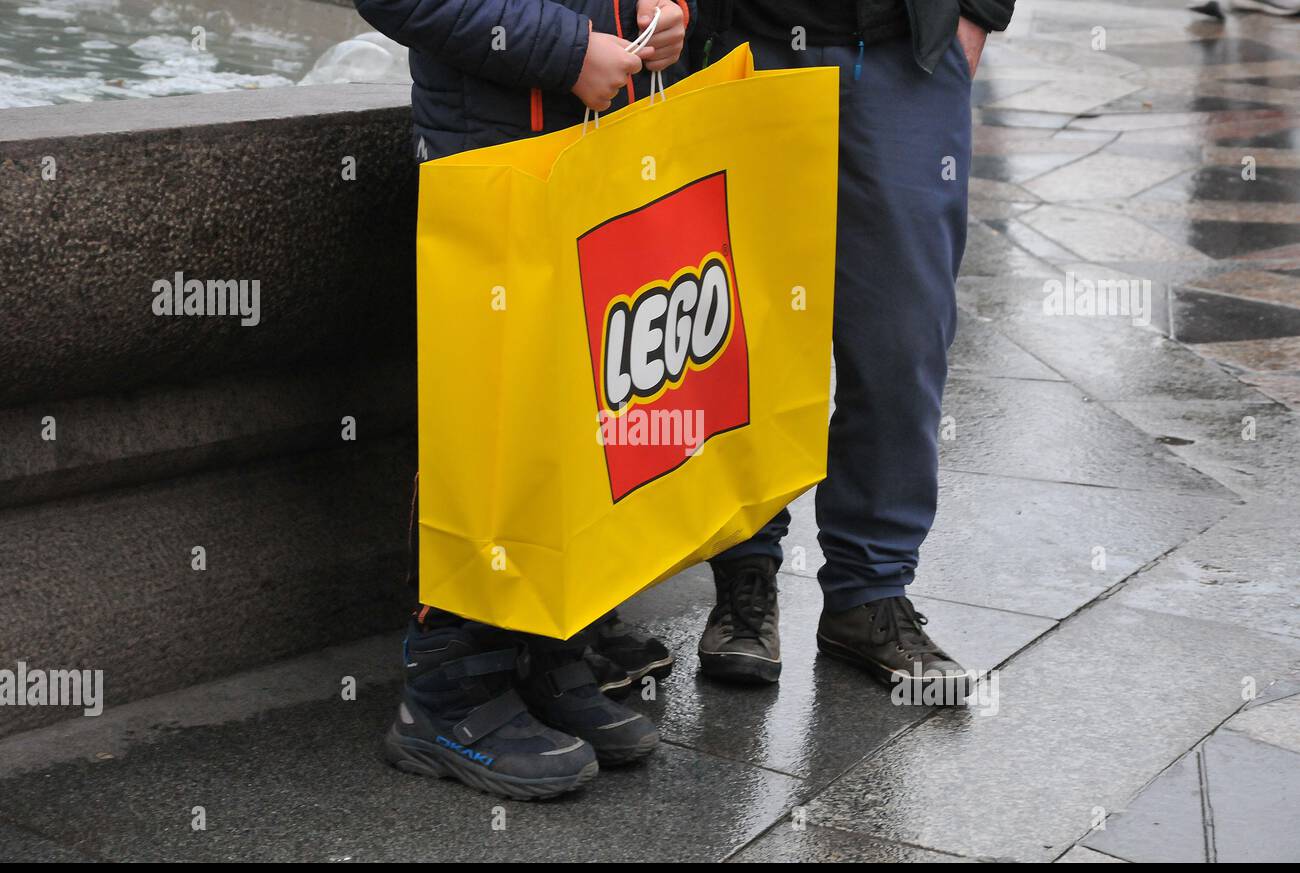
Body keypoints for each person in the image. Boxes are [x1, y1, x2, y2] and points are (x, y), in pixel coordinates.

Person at [353, 0, 694, 800]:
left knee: (571, 404)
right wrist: (569, 48)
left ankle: (544, 648)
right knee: (482, 414)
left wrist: (665, 11)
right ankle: (445, 688)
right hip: (491, 147)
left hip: (590, 136)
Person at [690, 0, 1015, 693]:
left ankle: (870, 591)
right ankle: (743, 573)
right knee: (738, 328)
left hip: (906, 53)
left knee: (904, 336)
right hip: (745, 42)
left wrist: (976, 16)